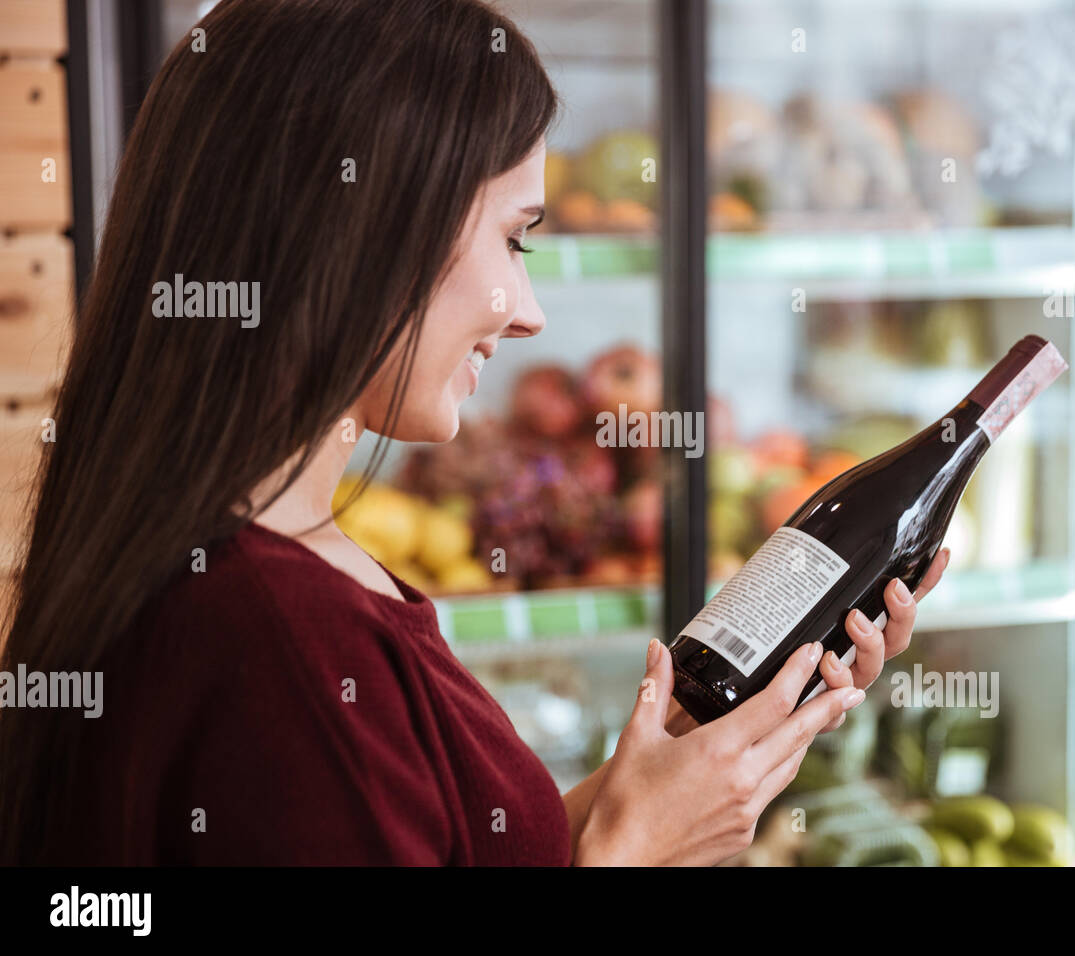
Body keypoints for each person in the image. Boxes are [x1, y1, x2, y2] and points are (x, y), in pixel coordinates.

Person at [0, 0, 947, 866]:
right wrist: (640, 852)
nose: (529, 311)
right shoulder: (283, 644)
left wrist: (683, 770)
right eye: (515, 236)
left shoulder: (251, 563)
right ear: (362, 228)